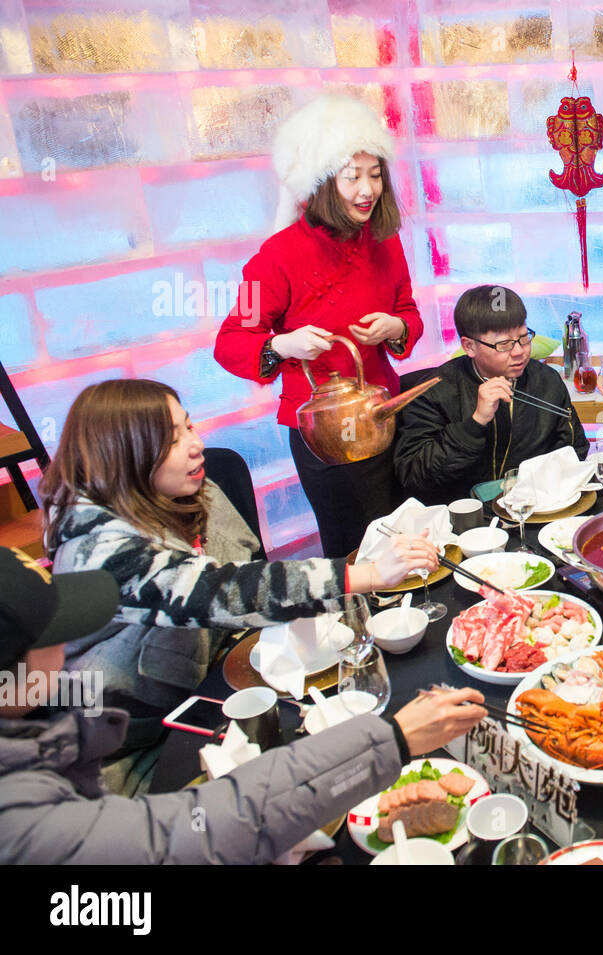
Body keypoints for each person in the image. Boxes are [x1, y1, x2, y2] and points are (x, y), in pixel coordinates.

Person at [40, 379, 441, 794]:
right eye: (171, 440)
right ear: (122, 455)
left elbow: (251, 569)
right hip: (129, 750)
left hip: (217, 697)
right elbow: (217, 591)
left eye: (189, 427)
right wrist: (366, 574)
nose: (196, 445)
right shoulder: (96, 547)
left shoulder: (194, 493)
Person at [0, 546, 486, 864]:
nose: (70, 650)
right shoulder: (25, 823)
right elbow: (202, 825)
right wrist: (393, 740)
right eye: (60, 632)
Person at [214, 94, 424, 558]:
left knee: (407, 541)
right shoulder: (273, 257)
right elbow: (230, 342)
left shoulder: (385, 243)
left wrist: (395, 327)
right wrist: (283, 344)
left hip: (386, 417)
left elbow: (410, 314)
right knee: (358, 551)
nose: (367, 189)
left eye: (375, 175)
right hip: (324, 433)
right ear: (323, 182)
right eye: (353, 177)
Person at [393, 285, 588, 504]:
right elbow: (414, 476)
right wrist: (475, 423)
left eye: (524, 338)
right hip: (463, 519)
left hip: (536, 508)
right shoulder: (433, 392)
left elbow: (574, 450)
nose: (519, 351)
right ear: (469, 346)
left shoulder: (547, 381)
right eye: (504, 344)